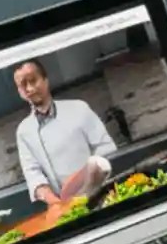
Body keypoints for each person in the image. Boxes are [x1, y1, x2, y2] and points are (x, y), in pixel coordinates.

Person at [11, 59, 116, 214]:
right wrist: (54, 202)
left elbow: (106, 148)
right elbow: (33, 174)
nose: (30, 88)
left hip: (101, 197)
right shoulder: (23, 131)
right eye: (23, 85)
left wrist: (84, 178)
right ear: (19, 92)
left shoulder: (79, 108)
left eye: (33, 80)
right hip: (64, 209)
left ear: (46, 80)